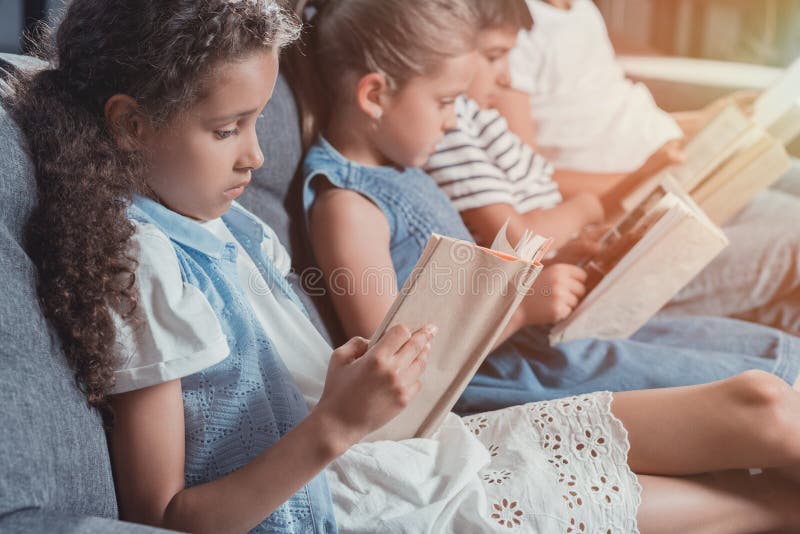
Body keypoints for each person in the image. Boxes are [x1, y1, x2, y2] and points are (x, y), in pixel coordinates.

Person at [11, 0, 800, 532]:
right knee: (756, 500)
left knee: (761, 401)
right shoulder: (143, 262)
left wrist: (352, 391)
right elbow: (164, 515)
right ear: (131, 124)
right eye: (228, 129)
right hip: (359, 503)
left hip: (400, 455)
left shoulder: (214, 224)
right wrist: (333, 426)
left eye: (258, 123)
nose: (255, 155)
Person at [429, 0, 800, 335]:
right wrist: (596, 204)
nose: (505, 75)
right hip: (623, 211)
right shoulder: (460, 119)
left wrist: (702, 122)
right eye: (495, 58)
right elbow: (526, 225)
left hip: (642, 186)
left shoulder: (577, 15)